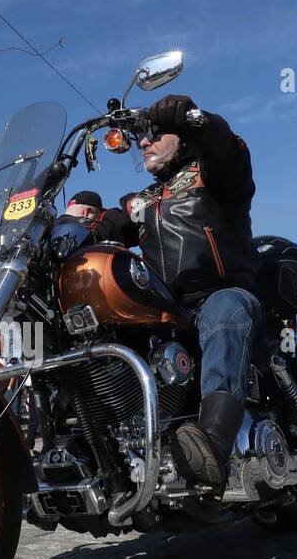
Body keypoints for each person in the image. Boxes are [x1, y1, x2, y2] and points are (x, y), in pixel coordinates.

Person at [97, 94, 258, 493]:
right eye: (142, 137)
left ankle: (212, 448)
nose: (144, 142)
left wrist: (191, 119)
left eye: (156, 134)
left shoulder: (215, 174)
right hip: (168, 312)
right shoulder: (142, 202)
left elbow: (227, 146)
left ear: (182, 139)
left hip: (221, 294)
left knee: (224, 311)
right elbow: (105, 227)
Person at [47, 191, 103, 260]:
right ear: (86, 212)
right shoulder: (86, 228)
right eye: (95, 218)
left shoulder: (46, 227)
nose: (96, 221)